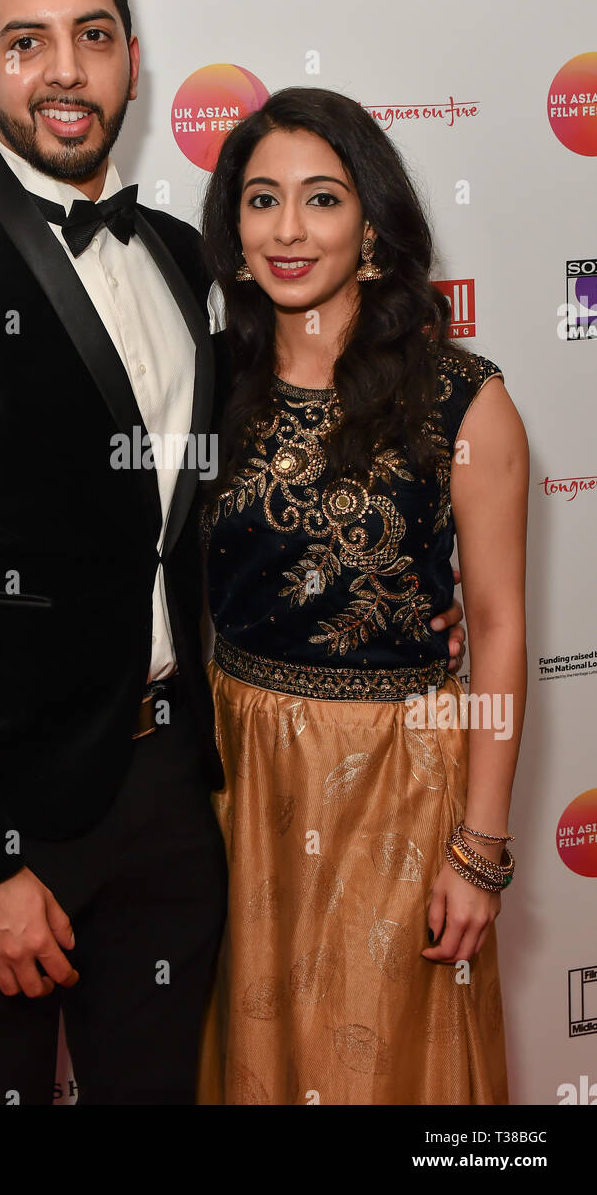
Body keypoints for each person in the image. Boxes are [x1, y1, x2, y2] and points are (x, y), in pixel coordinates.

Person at [0, 0, 466, 1106]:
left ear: (130, 59)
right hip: (5, 815)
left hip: (173, 793)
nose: (65, 69)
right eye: (27, 42)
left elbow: (259, 475)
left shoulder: (183, 257)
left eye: (93, 34)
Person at [196, 87, 528, 1106]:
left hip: (397, 778)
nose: (286, 229)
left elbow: (501, 626)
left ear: (373, 225)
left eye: (320, 199)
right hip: (233, 773)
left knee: (381, 1063)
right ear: (233, 225)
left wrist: (477, 852)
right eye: (260, 200)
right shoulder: (204, 383)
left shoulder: (461, 397)